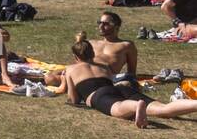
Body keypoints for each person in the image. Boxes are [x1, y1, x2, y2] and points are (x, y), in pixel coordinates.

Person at [53, 34, 197, 128]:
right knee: (163, 108)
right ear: (92, 52)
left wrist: (66, 84)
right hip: (120, 88)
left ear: (75, 56)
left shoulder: (71, 69)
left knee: (119, 107)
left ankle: (135, 107)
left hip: (99, 95)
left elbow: (74, 99)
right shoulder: (103, 66)